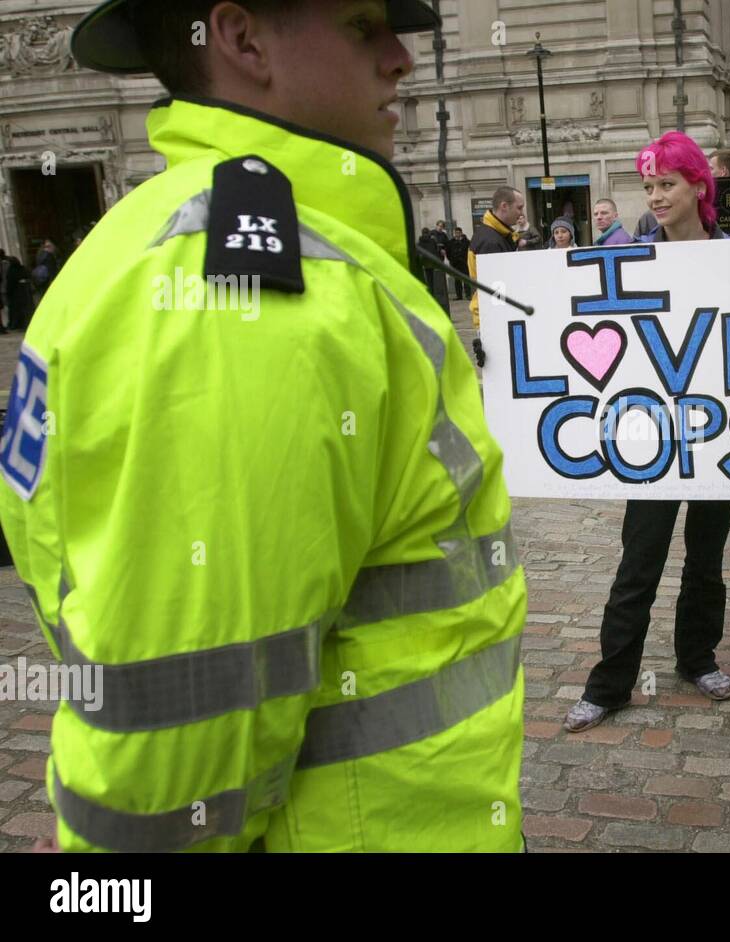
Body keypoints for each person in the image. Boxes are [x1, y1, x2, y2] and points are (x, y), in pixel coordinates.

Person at [1, 0, 527, 853]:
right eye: (362, 24)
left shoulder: (154, 232)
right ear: (241, 38)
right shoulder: (252, 298)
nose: (400, 55)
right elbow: (187, 736)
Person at [564, 131, 730, 732]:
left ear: (699, 186)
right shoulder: (628, 256)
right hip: (652, 435)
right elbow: (581, 325)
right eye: (648, 186)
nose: (654, 196)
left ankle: (696, 656)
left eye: (666, 184)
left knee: (707, 557)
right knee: (639, 562)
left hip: (719, 433)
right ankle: (611, 682)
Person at [634, 146, 730, 238]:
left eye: (667, 185)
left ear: (699, 188)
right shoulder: (635, 251)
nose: (654, 197)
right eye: (648, 188)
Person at [468, 185, 522, 329]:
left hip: (492, 313)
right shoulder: (490, 241)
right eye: (519, 208)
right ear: (504, 206)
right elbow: (496, 288)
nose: (521, 213)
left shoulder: (497, 235)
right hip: (492, 318)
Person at [446, 225, 470, 300]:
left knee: (466, 280)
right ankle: (459, 296)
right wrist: (451, 260)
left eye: (459, 233)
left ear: (461, 233)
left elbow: (469, 251)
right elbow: (448, 252)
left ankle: (468, 295)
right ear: (454, 233)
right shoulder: (451, 242)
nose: (457, 234)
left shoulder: (466, 242)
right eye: (456, 233)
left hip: (464, 263)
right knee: (457, 280)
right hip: (455, 264)